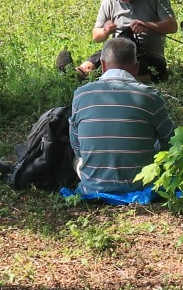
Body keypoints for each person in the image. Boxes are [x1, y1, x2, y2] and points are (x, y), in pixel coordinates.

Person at [68, 37, 175, 197]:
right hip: (142, 183)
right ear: (137, 67)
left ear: (103, 65)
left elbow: (78, 148)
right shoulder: (150, 96)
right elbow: (171, 141)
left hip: (94, 186)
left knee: (76, 161)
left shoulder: (81, 94)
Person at [58, 0, 177, 82]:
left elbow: (172, 26)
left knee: (157, 69)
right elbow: (96, 36)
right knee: (106, 52)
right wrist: (105, 31)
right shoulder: (109, 0)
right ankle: (80, 71)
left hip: (148, 53)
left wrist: (147, 26)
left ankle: (105, 78)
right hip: (118, 52)